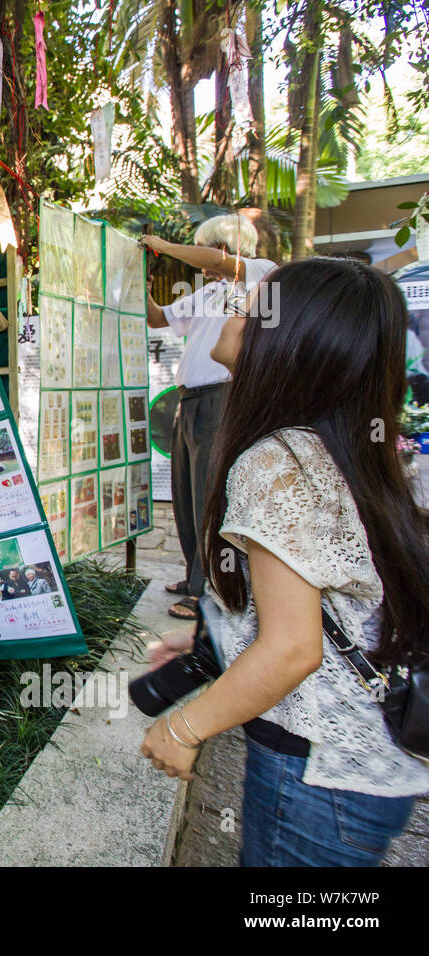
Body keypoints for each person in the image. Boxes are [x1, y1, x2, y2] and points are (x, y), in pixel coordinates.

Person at [140, 258, 429, 866]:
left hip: (315, 778)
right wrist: (215, 645)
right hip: (370, 766)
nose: (237, 312)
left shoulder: (277, 462)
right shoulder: (342, 443)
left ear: (289, 341)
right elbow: (326, 601)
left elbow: (294, 648)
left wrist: (182, 728)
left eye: (251, 307)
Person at [141, 215, 277, 621]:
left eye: (212, 249)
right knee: (186, 495)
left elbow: (223, 264)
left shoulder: (260, 276)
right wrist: (140, 287)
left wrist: (163, 246)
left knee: (208, 497)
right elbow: (157, 318)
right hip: (191, 399)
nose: (205, 261)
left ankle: (210, 589)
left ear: (230, 248)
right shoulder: (207, 292)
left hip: (222, 396)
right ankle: (193, 575)